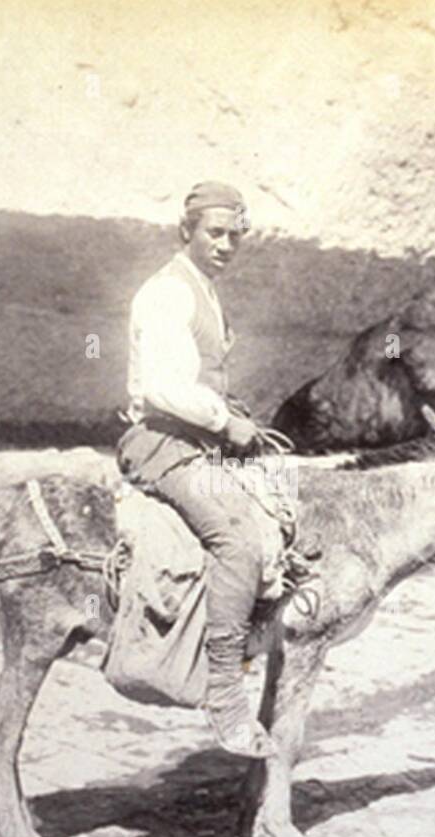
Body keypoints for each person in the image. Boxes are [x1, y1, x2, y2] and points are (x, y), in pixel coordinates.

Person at [116, 181, 277, 759]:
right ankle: (226, 697)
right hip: (164, 442)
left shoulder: (204, 290)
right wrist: (222, 420)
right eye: (215, 232)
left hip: (194, 438)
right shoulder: (166, 293)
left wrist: (233, 417)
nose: (226, 244)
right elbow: (163, 386)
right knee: (237, 540)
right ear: (186, 231)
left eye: (235, 235)